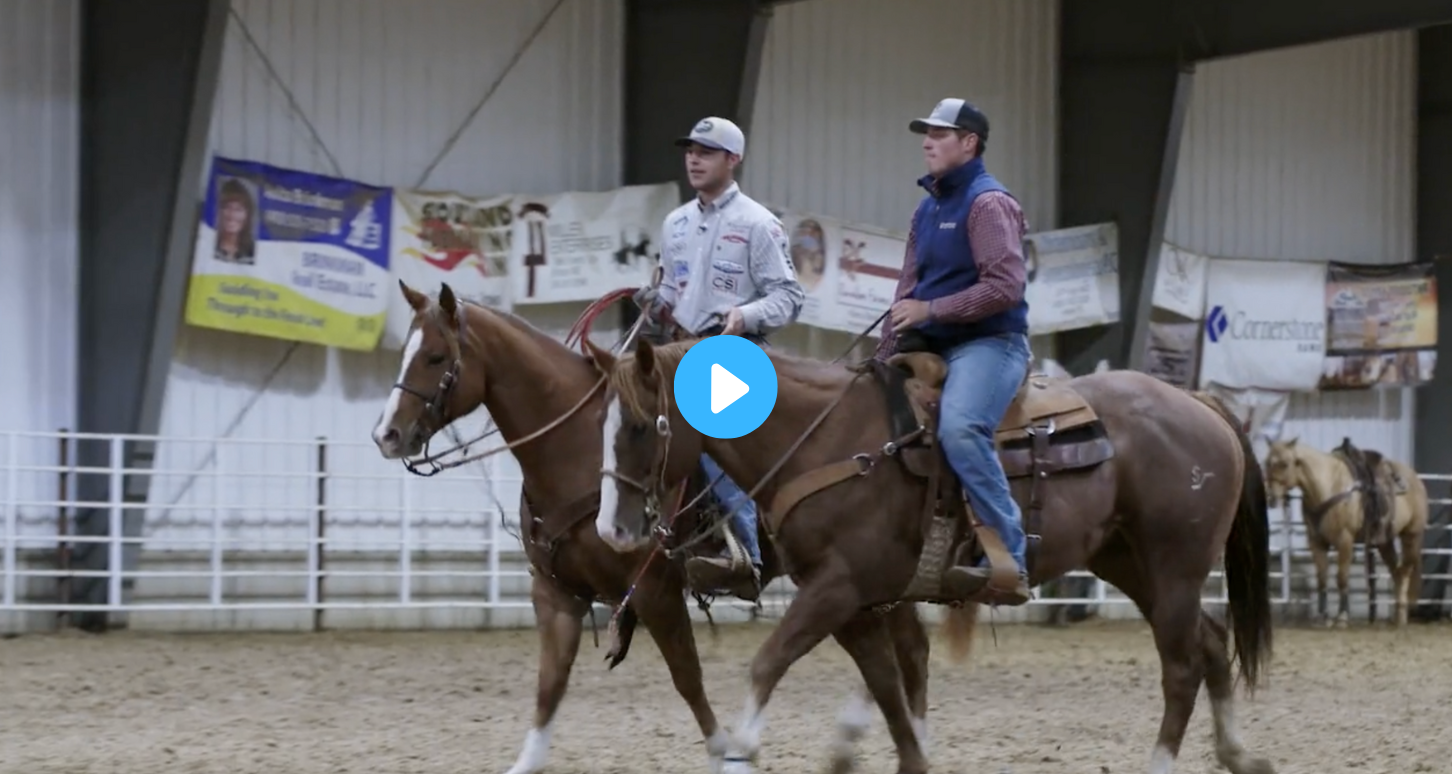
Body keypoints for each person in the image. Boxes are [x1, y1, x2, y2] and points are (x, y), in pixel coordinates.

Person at [634, 116, 806, 601]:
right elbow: (670, 290)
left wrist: (746, 315)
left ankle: (743, 553)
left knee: (712, 420)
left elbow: (789, 297)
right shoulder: (676, 223)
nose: (693, 158)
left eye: (706, 152)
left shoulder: (757, 223)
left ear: (733, 160)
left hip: (735, 351)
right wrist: (652, 301)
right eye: (690, 149)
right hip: (678, 347)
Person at [874, 97, 1033, 605]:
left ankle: (1008, 554)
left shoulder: (988, 203)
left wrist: (931, 311)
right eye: (926, 133)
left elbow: (1005, 288)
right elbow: (906, 289)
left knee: (962, 428)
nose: (927, 141)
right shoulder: (927, 207)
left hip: (990, 343)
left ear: (970, 143)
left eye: (940, 134)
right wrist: (886, 347)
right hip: (933, 342)